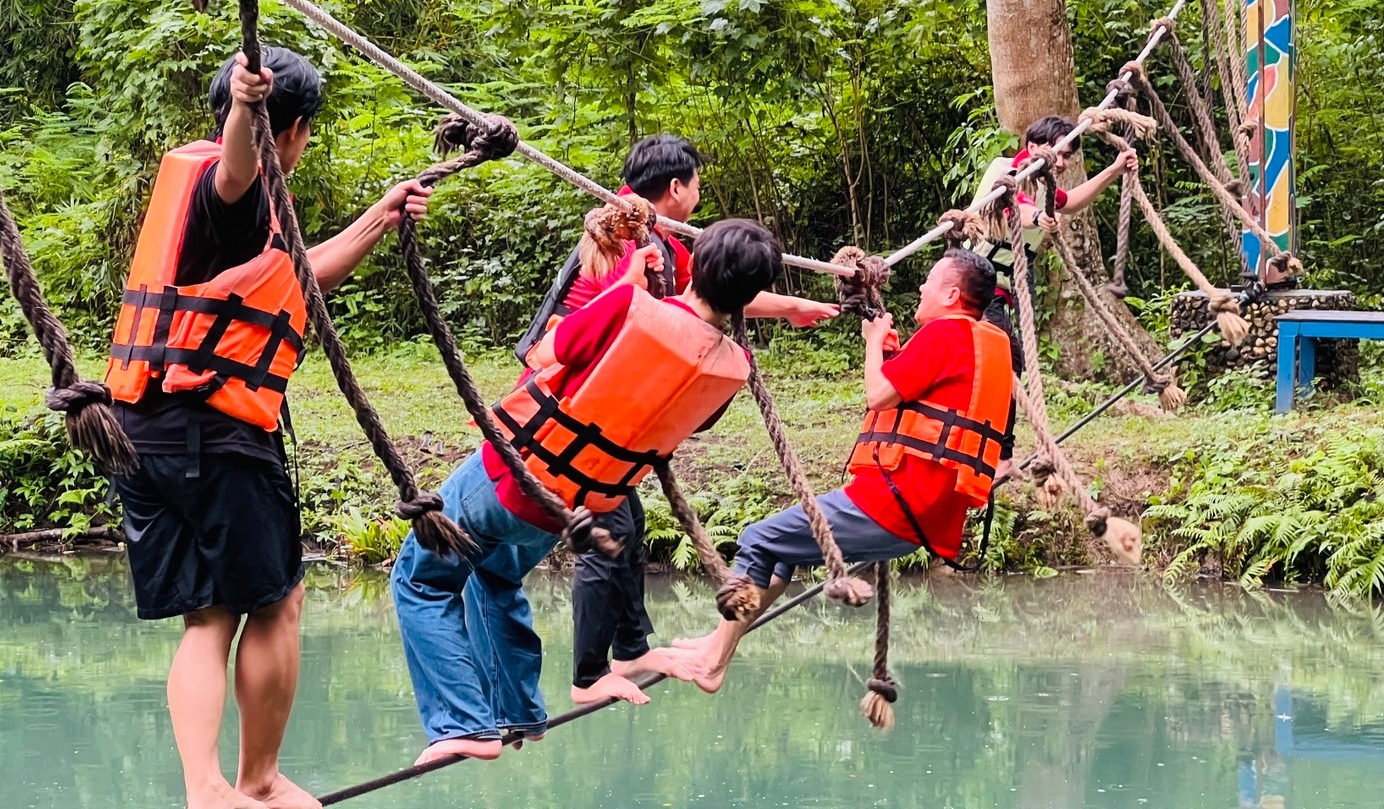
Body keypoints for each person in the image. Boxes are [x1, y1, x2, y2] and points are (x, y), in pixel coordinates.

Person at [105, 48, 437, 809]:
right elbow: (234, 172)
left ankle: (205, 789)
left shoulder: (227, 212)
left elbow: (297, 275)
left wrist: (379, 218)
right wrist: (246, 114)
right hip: (218, 440)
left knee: (208, 616)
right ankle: (254, 782)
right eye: (300, 130)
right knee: (278, 600)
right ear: (292, 132)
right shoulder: (236, 190)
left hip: (146, 434)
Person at [391, 218, 783, 766]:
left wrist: (627, 286)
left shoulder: (632, 307)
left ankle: (461, 722)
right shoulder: (732, 367)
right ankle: (517, 711)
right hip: (573, 506)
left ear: (693, 266)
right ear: (750, 295)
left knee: (419, 581)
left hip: (515, 472)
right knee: (495, 575)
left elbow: (546, 351)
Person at [514, 134, 840, 708]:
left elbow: (710, 293)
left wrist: (791, 306)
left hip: (608, 405)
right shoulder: (620, 236)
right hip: (571, 402)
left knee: (628, 525)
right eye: (696, 183)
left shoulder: (659, 238)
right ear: (675, 188)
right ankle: (587, 677)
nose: (699, 193)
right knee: (608, 533)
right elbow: (641, 320)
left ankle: (632, 648)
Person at [678, 249, 1013, 693]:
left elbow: (878, 395)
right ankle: (717, 648)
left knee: (756, 540)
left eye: (929, 281)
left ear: (951, 294)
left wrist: (874, 343)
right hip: (925, 512)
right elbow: (909, 392)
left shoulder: (944, 336)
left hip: (893, 502)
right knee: (778, 552)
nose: (920, 287)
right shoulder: (980, 339)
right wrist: (885, 348)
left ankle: (714, 660)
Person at [971, 114, 1137, 477]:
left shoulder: (1045, 186)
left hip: (1004, 288)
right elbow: (1009, 204)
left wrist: (1114, 169)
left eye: (1067, 157)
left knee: (1006, 363)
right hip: (971, 278)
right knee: (995, 361)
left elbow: (1071, 200)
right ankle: (993, 453)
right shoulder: (1005, 170)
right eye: (1058, 154)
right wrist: (1037, 218)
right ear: (1033, 148)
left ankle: (1000, 455)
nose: (1061, 163)